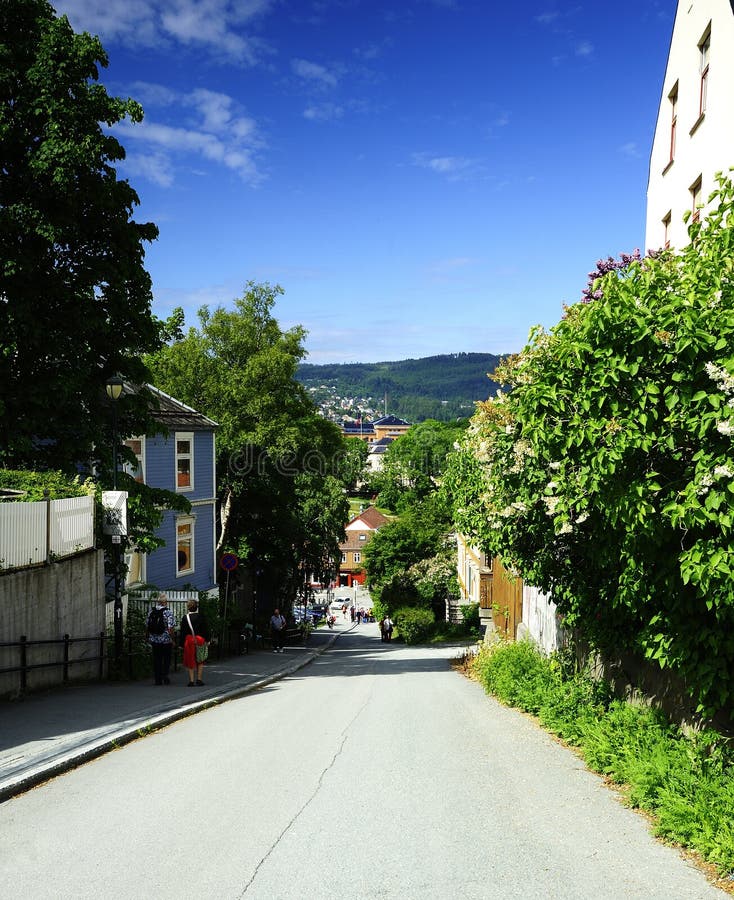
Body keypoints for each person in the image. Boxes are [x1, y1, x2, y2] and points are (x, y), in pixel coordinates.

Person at [146, 593, 175, 685]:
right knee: (166, 659)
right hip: (166, 640)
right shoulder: (168, 612)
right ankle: (165, 676)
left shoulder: (151, 612)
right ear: (165, 602)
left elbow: (147, 625)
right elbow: (170, 628)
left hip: (154, 640)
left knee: (157, 659)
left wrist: (148, 637)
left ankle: (157, 679)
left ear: (158, 602)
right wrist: (173, 639)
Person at [180, 599, 210, 686]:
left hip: (189, 641)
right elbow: (205, 629)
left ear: (188, 607)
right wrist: (207, 640)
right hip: (199, 640)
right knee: (200, 659)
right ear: (196, 607)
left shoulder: (185, 618)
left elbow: (183, 632)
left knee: (190, 659)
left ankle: (191, 681)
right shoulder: (201, 616)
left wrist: (181, 644)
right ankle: (199, 679)